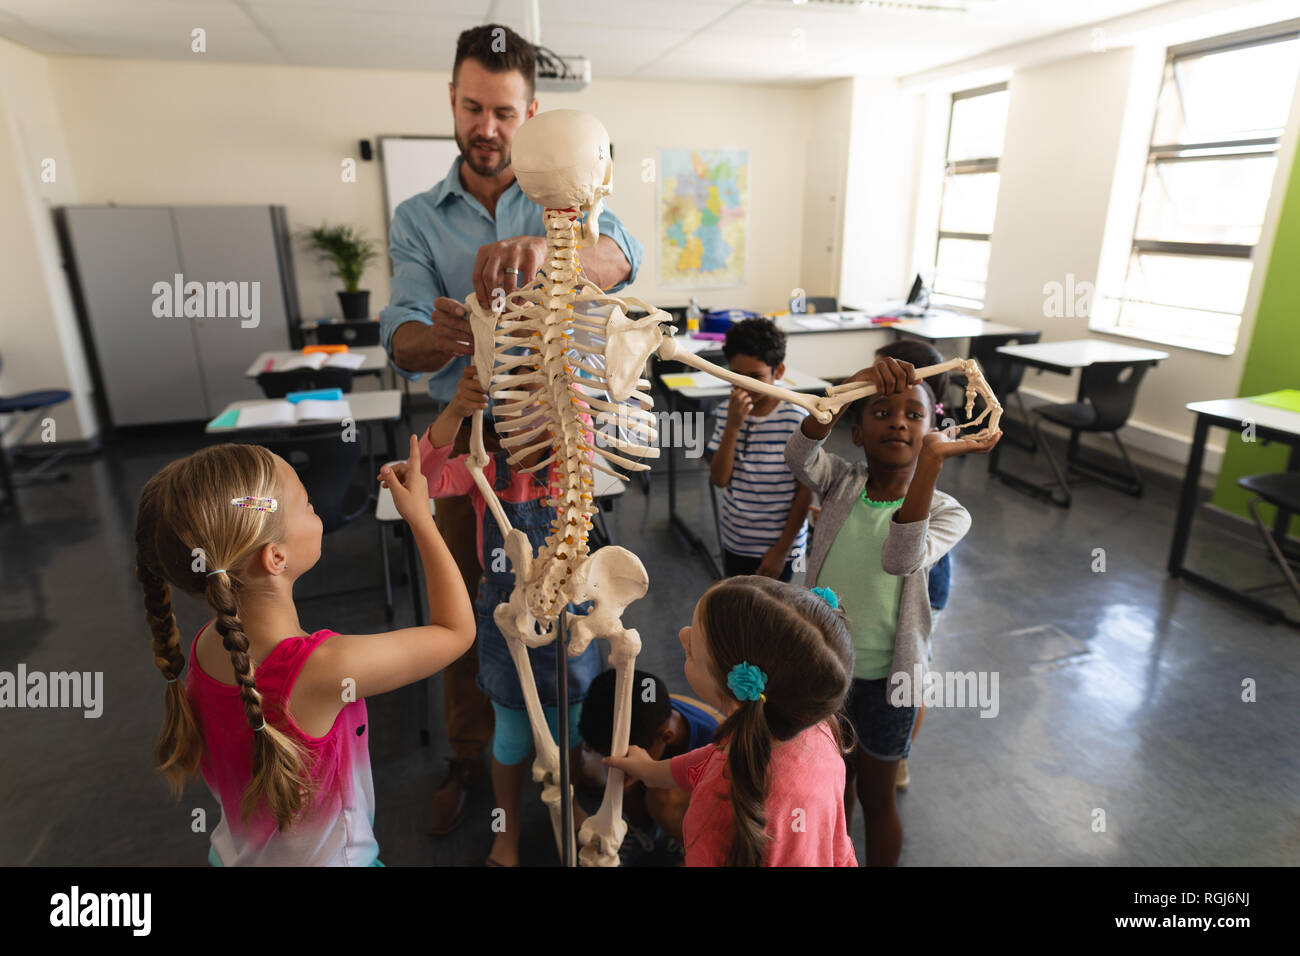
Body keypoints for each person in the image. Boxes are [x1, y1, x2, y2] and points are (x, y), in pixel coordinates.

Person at [379, 23, 644, 834]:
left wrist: (548, 248)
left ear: (528, 113)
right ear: (452, 105)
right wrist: (451, 335)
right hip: (474, 443)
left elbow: (620, 257)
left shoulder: (563, 192)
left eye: (502, 110)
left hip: (567, 446)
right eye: (471, 107)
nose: (485, 126)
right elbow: (400, 333)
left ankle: (587, 743)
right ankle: (472, 755)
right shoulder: (419, 217)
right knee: (467, 607)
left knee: (577, 600)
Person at [133, 436, 475, 865]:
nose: (314, 506)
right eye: (304, 502)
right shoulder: (326, 669)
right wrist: (422, 518)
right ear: (275, 557)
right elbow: (455, 631)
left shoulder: (208, 644)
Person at [784, 353, 999, 865]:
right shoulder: (840, 481)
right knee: (835, 786)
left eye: (913, 414)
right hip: (828, 670)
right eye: (880, 412)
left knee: (878, 798)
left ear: (932, 426)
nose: (898, 421)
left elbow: (900, 557)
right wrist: (849, 388)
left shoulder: (949, 512)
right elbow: (798, 455)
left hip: (891, 683)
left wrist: (930, 463)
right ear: (857, 432)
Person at [386, 366, 599, 867]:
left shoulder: (572, 454)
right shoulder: (479, 465)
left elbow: (579, 411)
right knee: (510, 733)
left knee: (567, 722)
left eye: (537, 394)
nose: (525, 410)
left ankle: (568, 809)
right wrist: (458, 409)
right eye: (511, 400)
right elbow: (428, 475)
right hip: (504, 614)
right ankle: (508, 827)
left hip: (567, 608)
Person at [606, 578, 858, 867]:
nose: (682, 634)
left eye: (692, 652)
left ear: (739, 691)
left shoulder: (717, 807)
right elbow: (718, 757)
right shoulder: (817, 728)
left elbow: (719, 769)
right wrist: (652, 771)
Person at [872, 339, 955, 792]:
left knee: (911, 669)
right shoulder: (904, 425)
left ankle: (897, 755)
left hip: (925, 568)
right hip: (886, 560)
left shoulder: (927, 438)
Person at [577, 668, 722, 864]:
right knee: (620, 772)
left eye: (628, 755)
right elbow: (648, 683)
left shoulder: (716, 747)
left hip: (708, 799)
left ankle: (687, 843)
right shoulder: (652, 705)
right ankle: (643, 831)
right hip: (663, 767)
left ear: (666, 737)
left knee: (662, 799)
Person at [706, 318, 812, 580]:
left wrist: (781, 550)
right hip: (736, 540)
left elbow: (805, 492)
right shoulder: (726, 413)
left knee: (773, 616)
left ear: (778, 371)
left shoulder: (797, 420)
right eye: (737, 377)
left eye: (756, 378)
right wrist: (732, 426)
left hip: (781, 548)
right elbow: (719, 479)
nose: (746, 386)